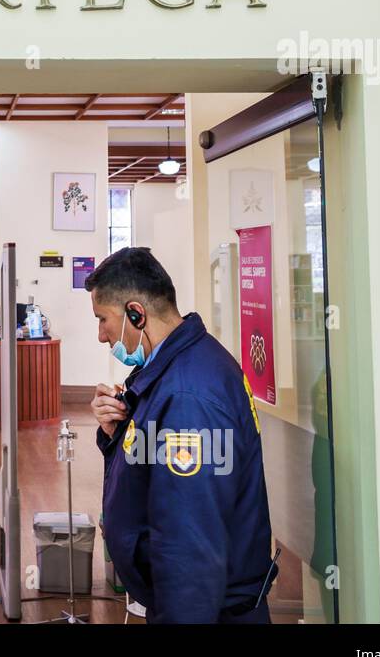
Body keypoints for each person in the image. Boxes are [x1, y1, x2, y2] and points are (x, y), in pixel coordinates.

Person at [86, 247, 276, 623]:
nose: (101, 335)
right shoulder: (177, 368)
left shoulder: (189, 395)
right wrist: (115, 432)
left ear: (135, 313)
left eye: (103, 319)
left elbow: (189, 544)